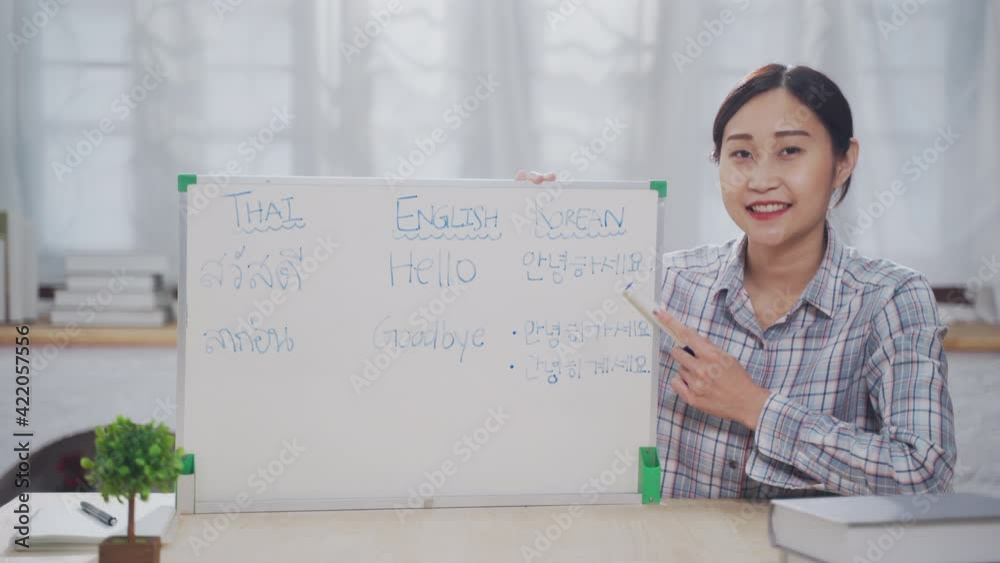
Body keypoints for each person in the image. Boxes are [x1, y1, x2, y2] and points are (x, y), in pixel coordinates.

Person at [516, 63, 957, 498]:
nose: (762, 180)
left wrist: (754, 406)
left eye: (790, 151)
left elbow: (923, 474)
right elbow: (550, 385)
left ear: (843, 162)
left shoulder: (890, 299)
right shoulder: (663, 285)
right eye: (742, 154)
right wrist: (539, 242)